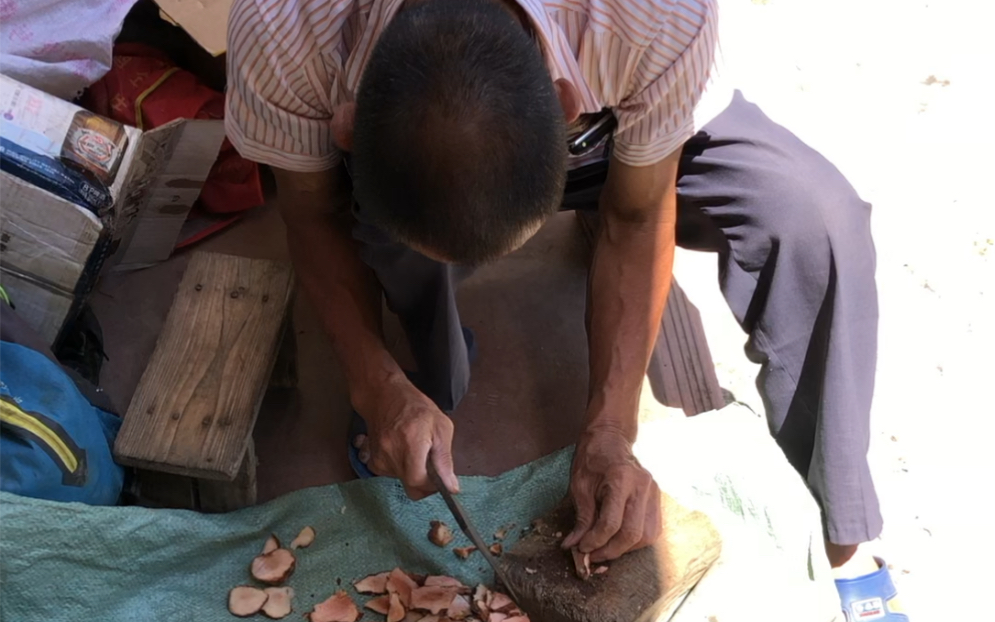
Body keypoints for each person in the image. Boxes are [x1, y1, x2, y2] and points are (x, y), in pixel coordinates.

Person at [226, 0, 905, 616]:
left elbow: (637, 213)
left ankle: (842, 531)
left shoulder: (658, 15)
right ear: (344, 127)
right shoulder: (284, 26)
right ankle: (412, 387)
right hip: (421, 155)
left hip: (619, 127)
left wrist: (611, 429)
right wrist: (376, 384)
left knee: (814, 221)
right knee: (390, 264)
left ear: (563, 101)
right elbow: (312, 217)